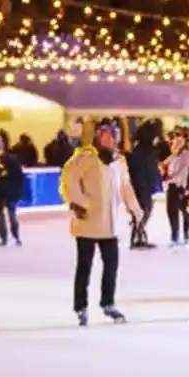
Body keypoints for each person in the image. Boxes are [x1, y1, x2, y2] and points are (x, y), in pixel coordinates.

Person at [61, 120, 143, 326]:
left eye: (113, 134)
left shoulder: (119, 162)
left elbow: (126, 187)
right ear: (98, 136)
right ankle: (81, 305)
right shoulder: (84, 157)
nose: (110, 138)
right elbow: (68, 179)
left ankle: (108, 302)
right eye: (106, 134)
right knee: (84, 266)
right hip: (88, 222)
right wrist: (77, 202)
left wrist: (136, 210)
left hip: (110, 225)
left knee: (111, 265)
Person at [127, 121, 162, 249]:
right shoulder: (146, 152)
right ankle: (137, 236)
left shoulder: (141, 150)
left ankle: (138, 235)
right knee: (143, 211)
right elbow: (146, 170)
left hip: (141, 185)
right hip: (142, 186)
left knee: (143, 211)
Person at [161, 127, 189, 248]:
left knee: (183, 211)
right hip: (172, 186)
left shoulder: (186, 155)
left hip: (181, 186)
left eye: (179, 138)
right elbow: (165, 164)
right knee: (171, 211)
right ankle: (174, 236)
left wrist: (167, 174)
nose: (175, 141)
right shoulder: (174, 155)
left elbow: (176, 171)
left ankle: (186, 235)